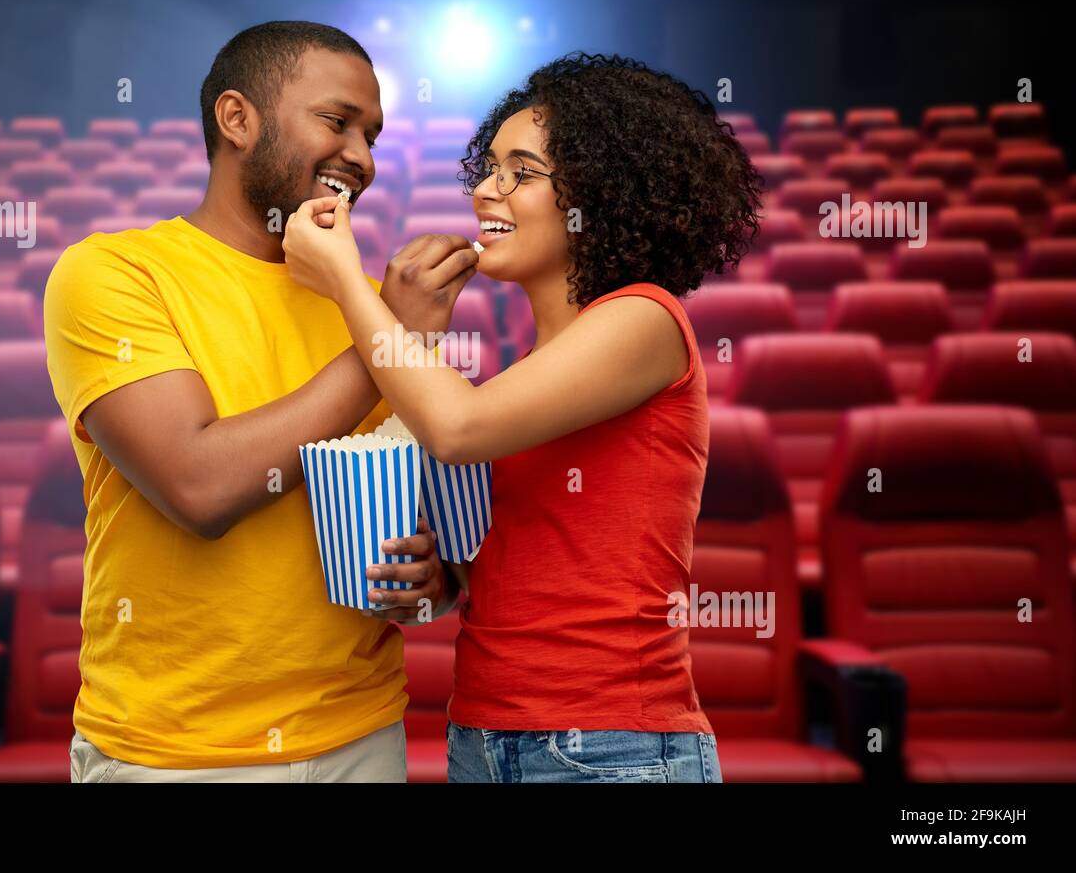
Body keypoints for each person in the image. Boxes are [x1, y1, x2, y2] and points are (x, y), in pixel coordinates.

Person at [282, 52, 762, 782]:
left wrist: (348, 280)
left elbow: (457, 428)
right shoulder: (526, 375)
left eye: (520, 172)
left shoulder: (645, 319)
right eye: (489, 169)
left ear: (598, 196)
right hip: (483, 735)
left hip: (608, 747)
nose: (484, 190)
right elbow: (514, 564)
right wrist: (439, 582)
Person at [44, 21, 477, 782]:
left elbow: (440, 537)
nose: (364, 158)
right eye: (337, 121)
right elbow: (198, 486)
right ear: (237, 119)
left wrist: (434, 580)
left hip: (364, 734)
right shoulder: (112, 273)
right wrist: (389, 342)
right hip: (177, 755)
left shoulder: (370, 312)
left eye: (373, 136)